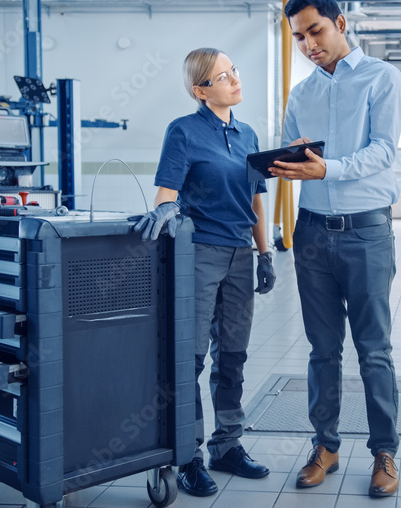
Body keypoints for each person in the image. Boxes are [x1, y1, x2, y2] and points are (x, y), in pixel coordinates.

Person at [269, 0, 401, 498]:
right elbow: (293, 148)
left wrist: (329, 168)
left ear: (340, 23)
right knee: (322, 349)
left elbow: (383, 149)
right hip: (311, 231)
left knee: (374, 350)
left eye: (315, 31)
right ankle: (325, 445)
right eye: (299, 37)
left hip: (367, 231)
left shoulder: (381, 78)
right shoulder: (301, 92)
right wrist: (284, 162)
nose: (308, 44)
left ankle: (385, 452)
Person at [135, 47, 275, 497]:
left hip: (240, 255)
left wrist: (265, 252)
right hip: (199, 254)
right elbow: (165, 191)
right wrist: (166, 209)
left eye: (235, 70)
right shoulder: (184, 132)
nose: (235, 80)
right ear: (200, 90)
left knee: (232, 355)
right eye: (222, 76)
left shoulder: (249, 134)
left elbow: (255, 199)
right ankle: (188, 454)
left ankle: (227, 445)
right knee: (191, 358)